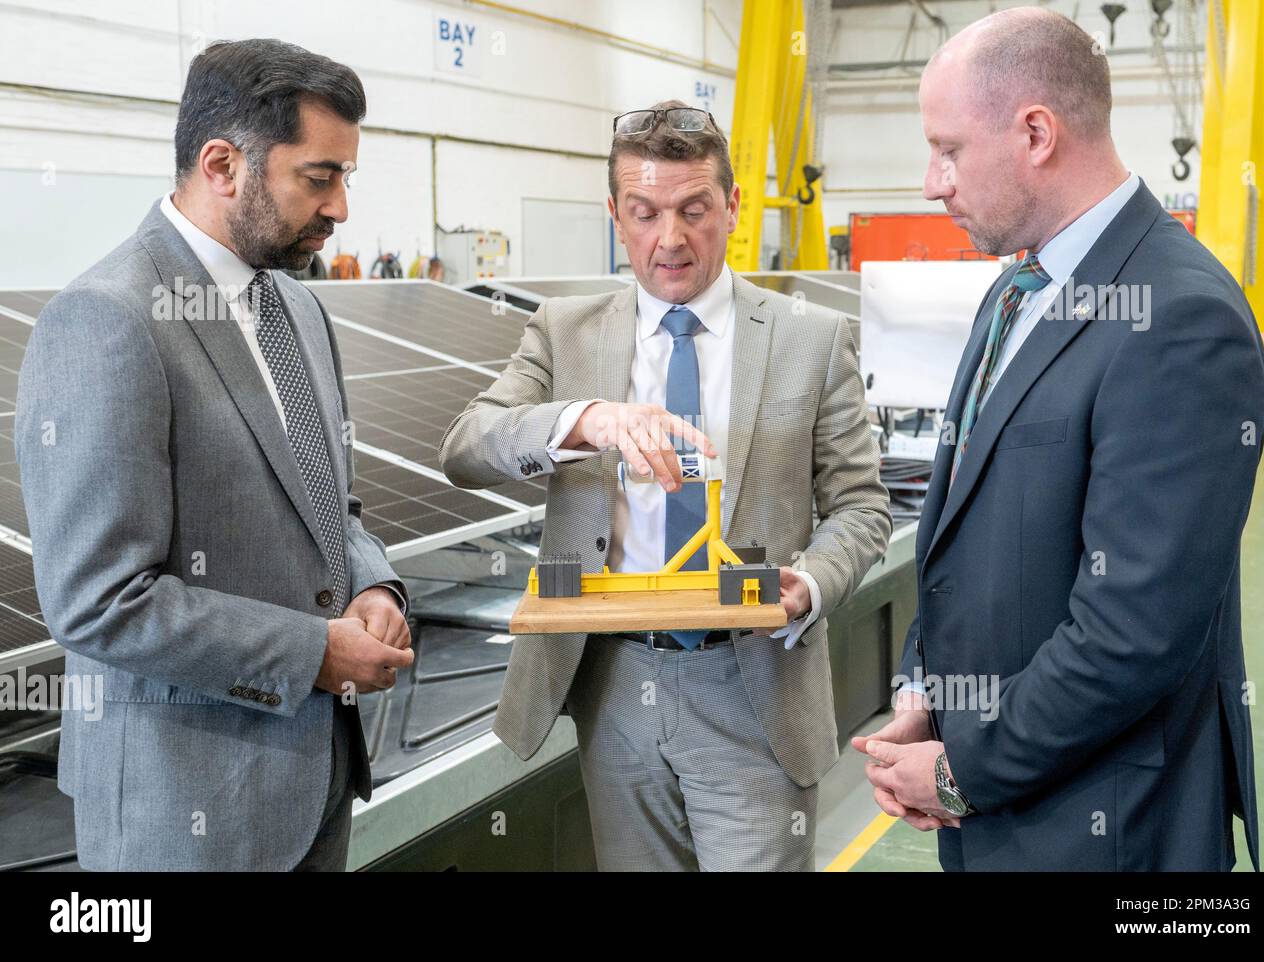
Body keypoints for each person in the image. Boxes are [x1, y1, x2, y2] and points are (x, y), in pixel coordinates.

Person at [857, 7, 1264, 871]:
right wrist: (931, 693)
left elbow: (1133, 628)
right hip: (1000, 808)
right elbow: (963, 532)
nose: (933, 182)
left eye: (949, 149)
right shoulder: (1014, 292)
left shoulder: (1179, 316)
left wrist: (968, 769)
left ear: (1036, 132)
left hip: (1107, 825)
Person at [440, 101, 892, 871]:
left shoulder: (810, 338)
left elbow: (860, 505)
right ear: (615, 213)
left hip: (755, 681)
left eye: (694, 209)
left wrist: (808, 585)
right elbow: (466, 448)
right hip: (615, 682)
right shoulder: (564, 331)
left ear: (733, 205)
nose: (670, 238)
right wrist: (585, 421)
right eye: (645, 213)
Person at [16, 38, 414, 871]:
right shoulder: (108, 321)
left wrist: (372, 580)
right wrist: (314, 652)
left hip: (318, 787)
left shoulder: (300, 312)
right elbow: (98, 601)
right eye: (319, 176)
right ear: (223, 164)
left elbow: (326, 507)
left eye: (346, 177)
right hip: (183, 813)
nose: (341, 208)